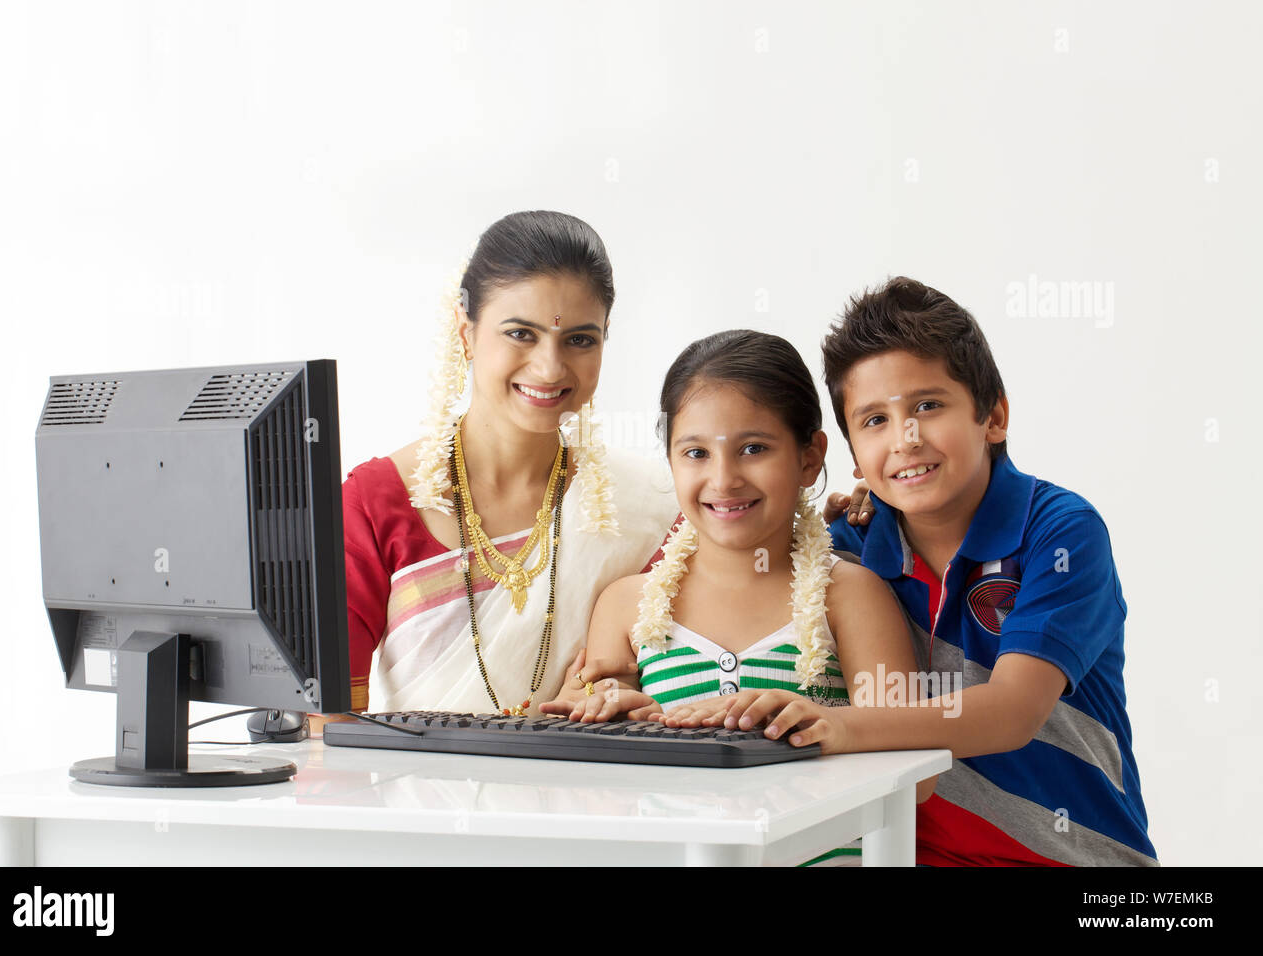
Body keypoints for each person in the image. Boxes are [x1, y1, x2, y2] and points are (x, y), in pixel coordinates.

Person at [670, 277, 1157, 866]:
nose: (905, 439)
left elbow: (1010, 713)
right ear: (850, 451)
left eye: (927, 406)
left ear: (994, 416)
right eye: (874, 420)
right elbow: (708, 561)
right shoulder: (846, 545)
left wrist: (840, 725)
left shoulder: (1058, 531)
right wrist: (604, 674)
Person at [541, 330, 934, 864]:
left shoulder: (851, 596)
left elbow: (916, 780)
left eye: (753, 448)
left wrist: (791, 731)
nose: (723, 479)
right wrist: (610, 715)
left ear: (809, 458)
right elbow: (589, 776)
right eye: (696, 452)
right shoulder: (626, 603)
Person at [335, 211, 679, 722]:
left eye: (581, 339)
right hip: (406, 795)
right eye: (521, 333)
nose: (549, 367)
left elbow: (685, 686)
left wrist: (614, 694)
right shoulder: (376, 501)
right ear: (466, 332)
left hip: (590, 793)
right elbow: (326, 722)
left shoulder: (649, 508)